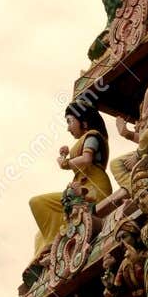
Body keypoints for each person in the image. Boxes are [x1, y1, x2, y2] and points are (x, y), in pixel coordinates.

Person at [28, 98, 112, 255]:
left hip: (93, 189)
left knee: (37, 203)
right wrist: (65, 157)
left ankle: (55, 245)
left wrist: (66, 163)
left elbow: (86, 159)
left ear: (83, 122)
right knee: (40, 234)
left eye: (69, 121)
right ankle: (46, 252)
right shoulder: (84, 140)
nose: (68, 128)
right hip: (81, 188)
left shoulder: (92, 136)